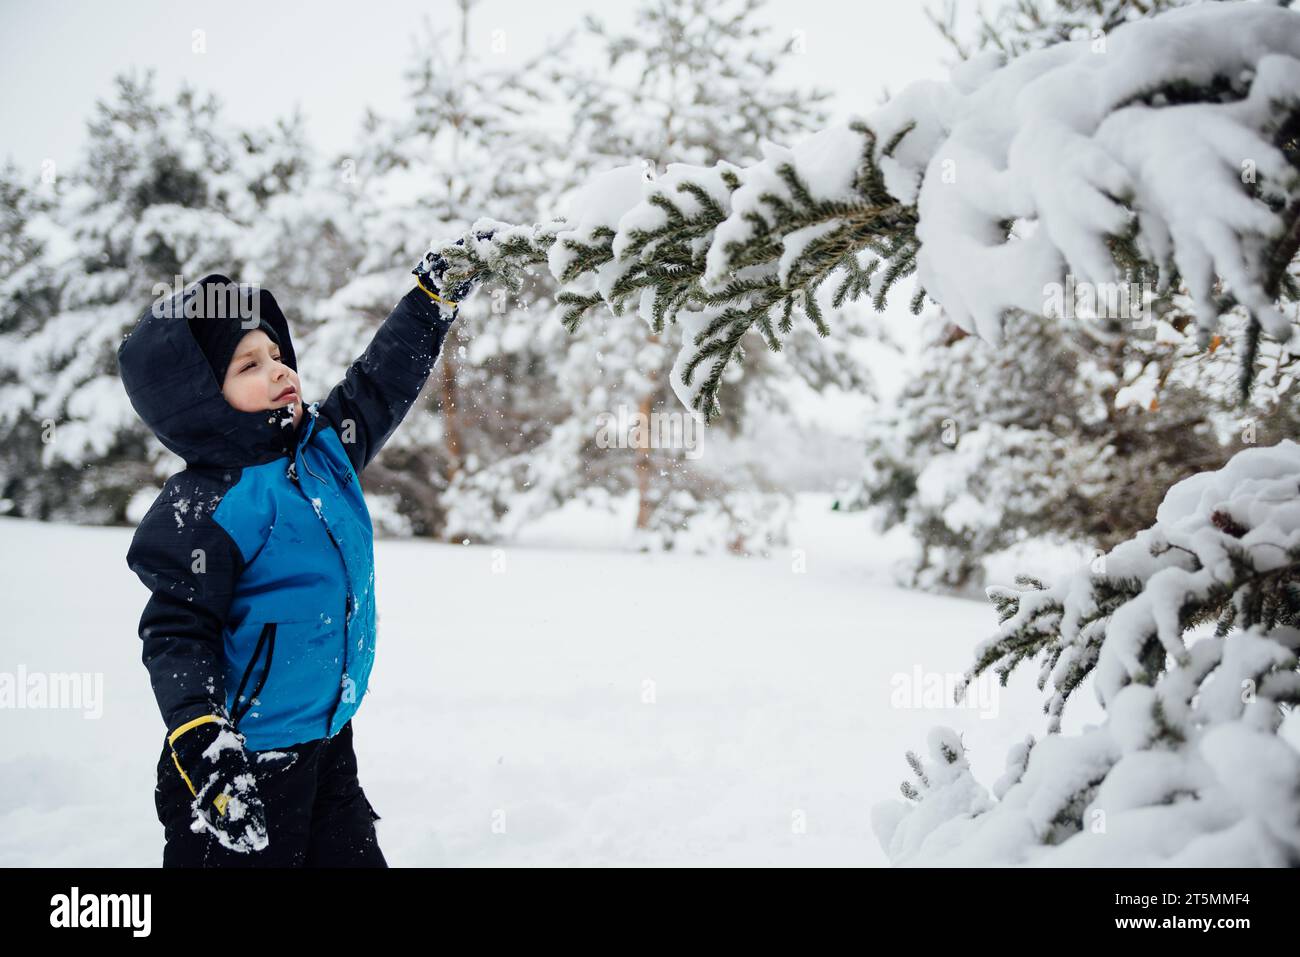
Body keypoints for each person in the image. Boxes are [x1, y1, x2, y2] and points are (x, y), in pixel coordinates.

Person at [117, 242, 487, 866]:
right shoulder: (209, 503)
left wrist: (430, 303)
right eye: (250, 365)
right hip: (238, 771)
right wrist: (202, 739)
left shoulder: (323, 452)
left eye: (278, 354)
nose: (281, 369)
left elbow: (380, 382)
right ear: (199, 397)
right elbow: (176, 629)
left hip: (326, 742)